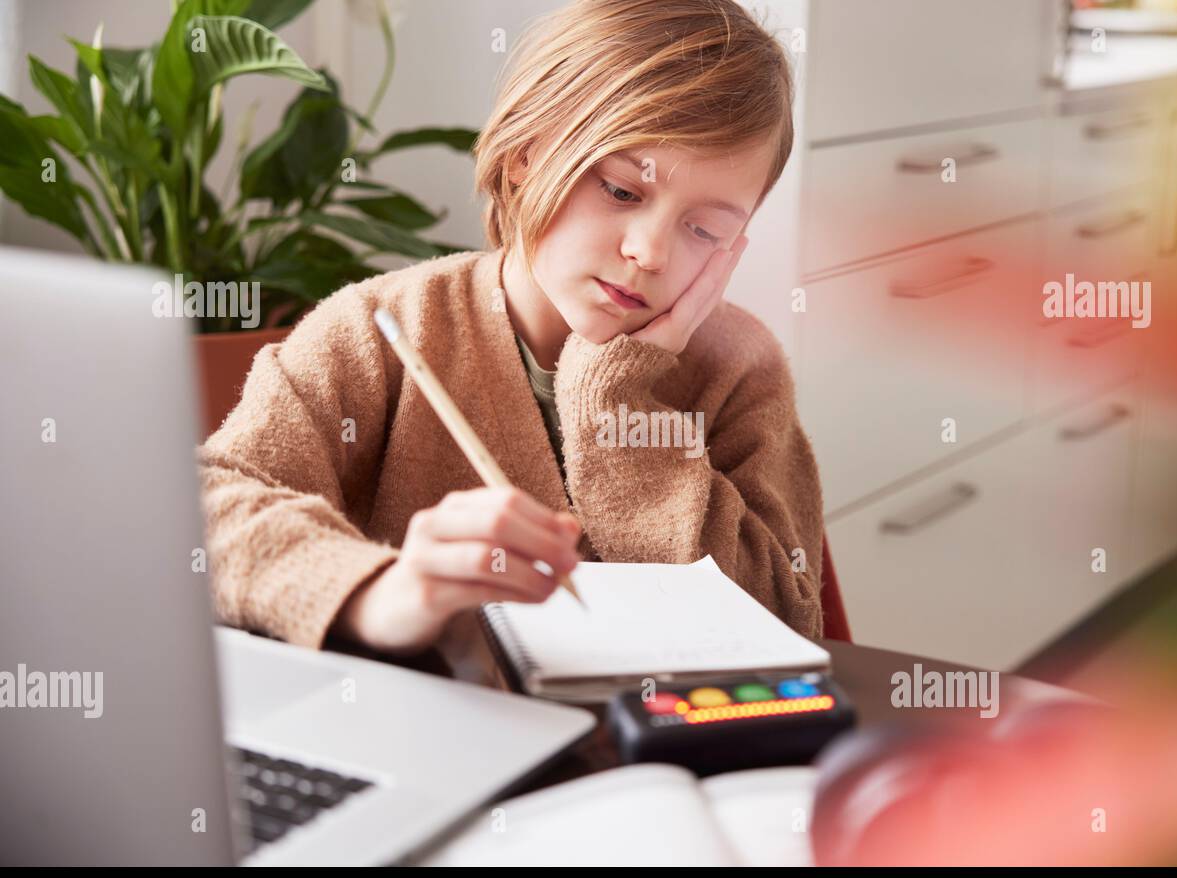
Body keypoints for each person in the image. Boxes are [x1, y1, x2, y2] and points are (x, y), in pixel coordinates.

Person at [196, 0, 824, 663]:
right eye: (620, 191)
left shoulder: (739, 369)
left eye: (705, 230)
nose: (652, 252)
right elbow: (207, 512)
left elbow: (787, 621)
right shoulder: (380, 331)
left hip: (664, 753)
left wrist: (617, 406)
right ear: (527, 153)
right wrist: (380, 590)